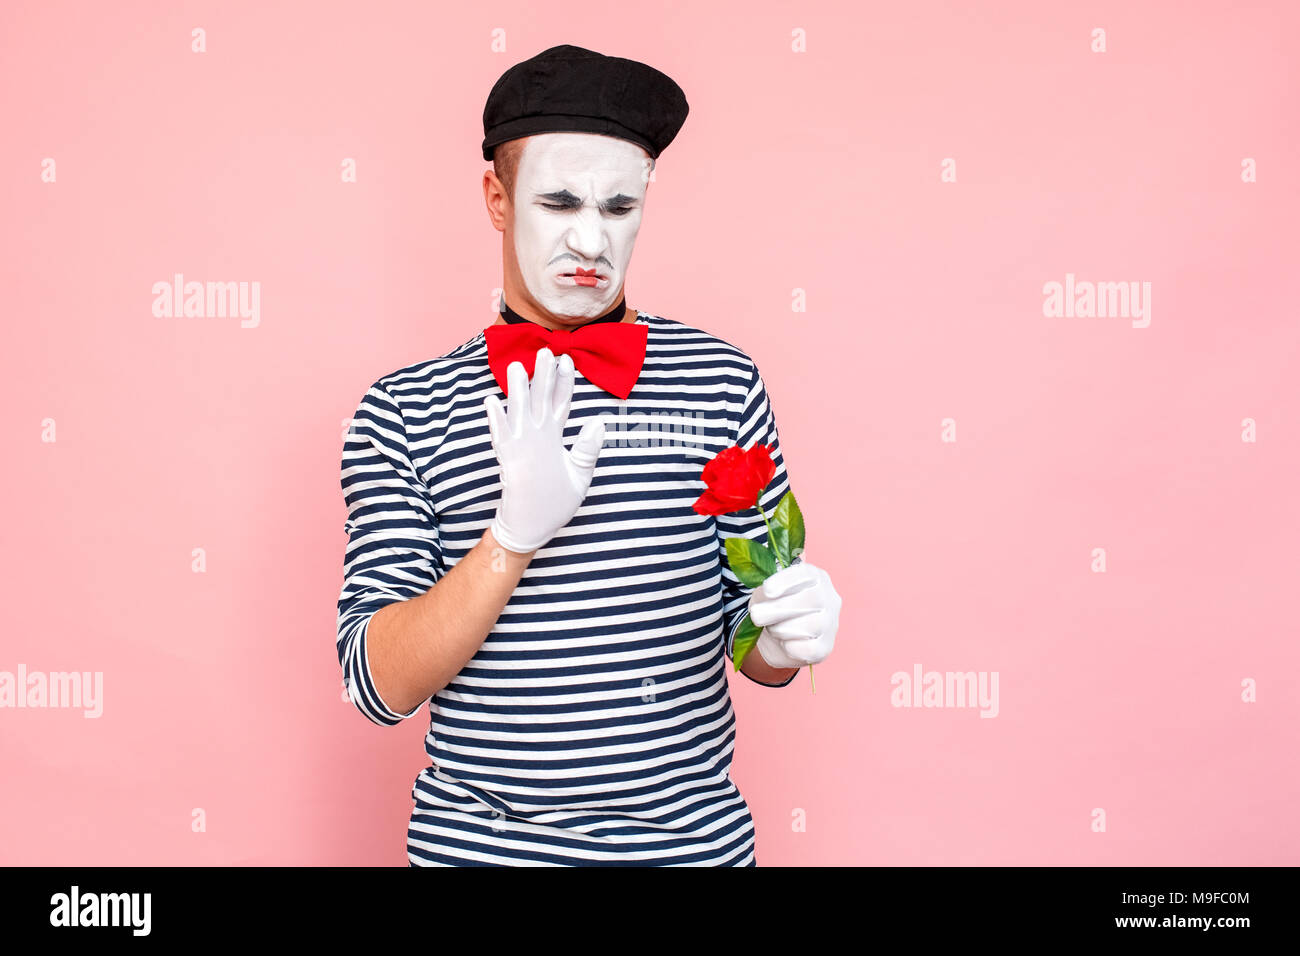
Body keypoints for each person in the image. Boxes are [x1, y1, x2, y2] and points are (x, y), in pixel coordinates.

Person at [336, 44, 842, 866]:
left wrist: (782, 641)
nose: (590, 240)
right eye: (559, 201)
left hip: (690, 851)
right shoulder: (402, 410)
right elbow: (378, 686)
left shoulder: (722, 379)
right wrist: (511, 537)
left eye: (617, 207)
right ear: (498, 199)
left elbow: (747, 637)